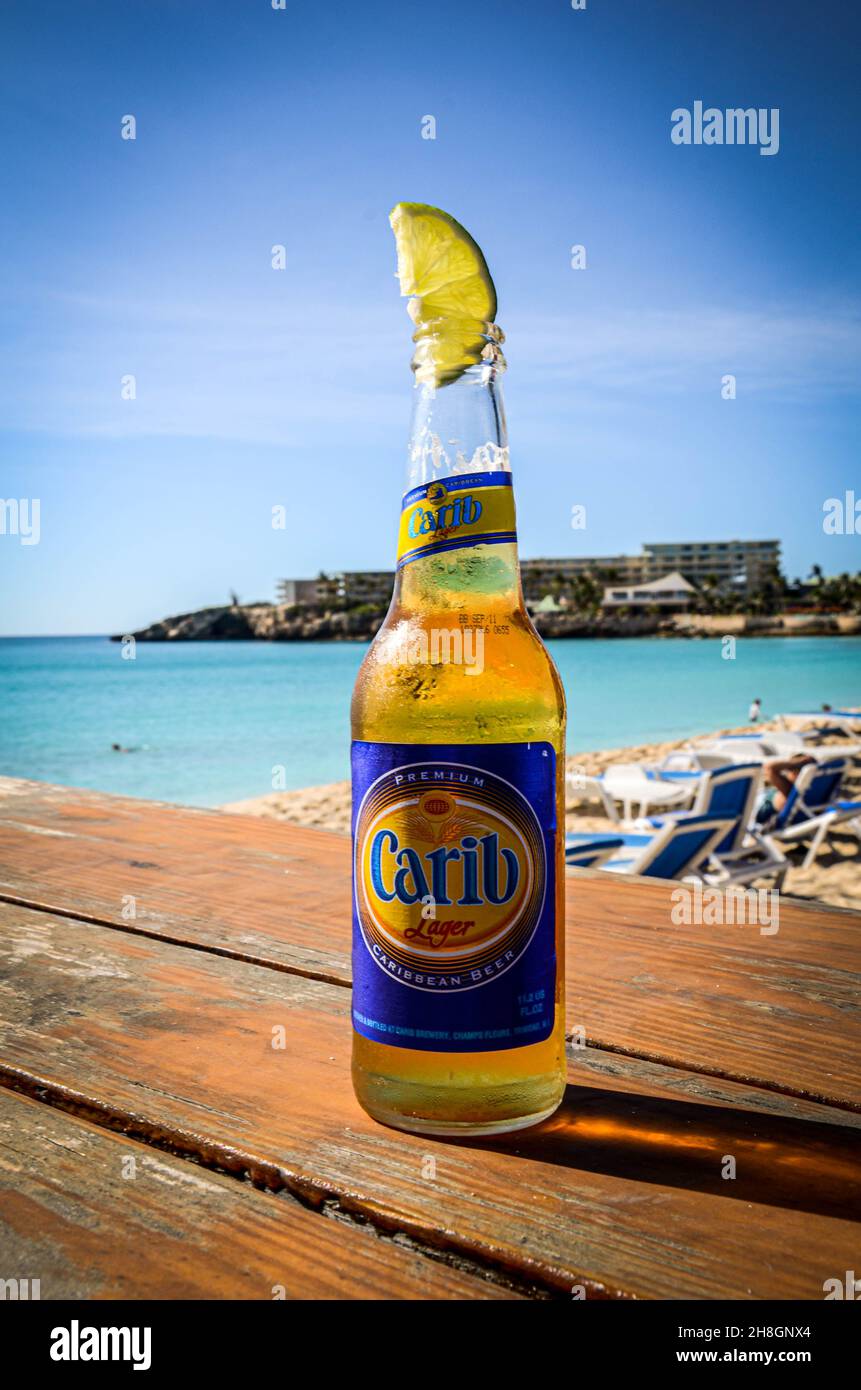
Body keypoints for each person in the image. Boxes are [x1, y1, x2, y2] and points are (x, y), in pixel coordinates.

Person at [755, 753, 815, 825]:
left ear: (795, 773)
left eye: (789, 770)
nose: (786, 772)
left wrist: (797, 763)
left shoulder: (789, 789)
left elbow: (769, 767)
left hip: (756, 814)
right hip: (762, 799)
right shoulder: (814, 789)